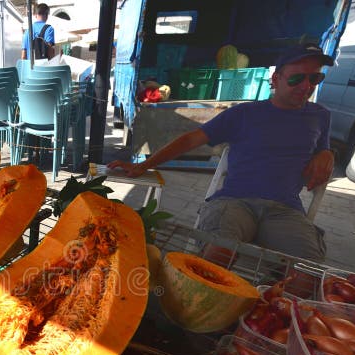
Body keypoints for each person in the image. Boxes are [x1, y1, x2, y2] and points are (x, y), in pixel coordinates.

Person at [108, 43, 336, 262]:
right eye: (297, 78)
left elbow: (322, 147)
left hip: (285, 210)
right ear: (275, 79)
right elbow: (190, 140)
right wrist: (142, 166)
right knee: (219, 254)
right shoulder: (244, 113)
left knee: (310, 272)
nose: (306, 86)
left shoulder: (321, 116)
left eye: (315, 78)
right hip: (235, 202)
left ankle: (271, 301)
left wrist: (327, 153)